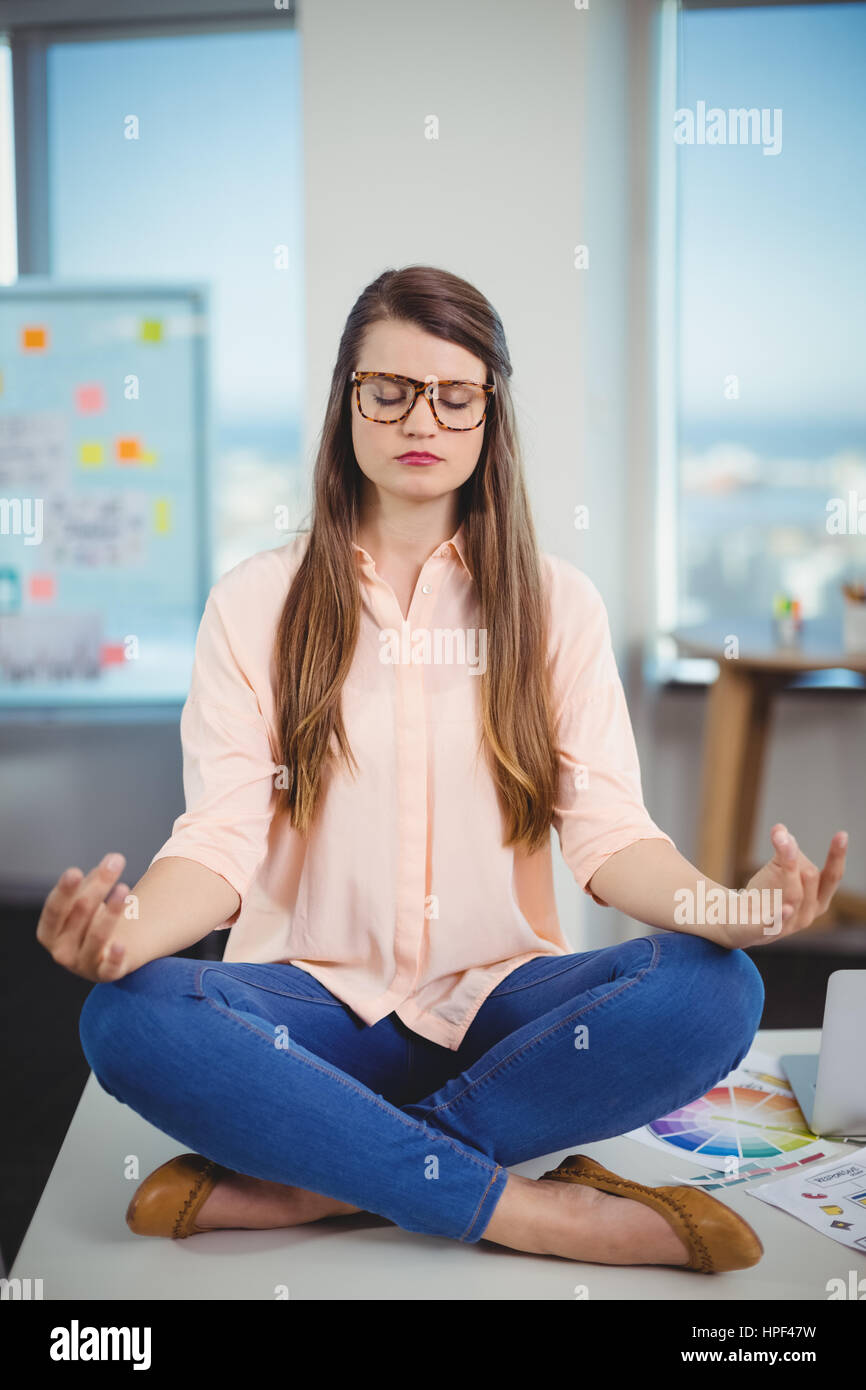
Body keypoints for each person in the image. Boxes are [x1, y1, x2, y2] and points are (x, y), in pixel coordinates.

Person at [39, 265, 847, 1274]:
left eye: (453, 394)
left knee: (712, 991)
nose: (420, 416)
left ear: (486, 414)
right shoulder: (253, 603)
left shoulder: (557, 604)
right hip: (313, 1015)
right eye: (389, 389)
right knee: (128, 1016)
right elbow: (219, 841)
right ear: (347, 403)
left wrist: (729, 908)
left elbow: (608, 837)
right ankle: (533, 1212)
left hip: (502, 1013)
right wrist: (122, 939)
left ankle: (320, 1178)